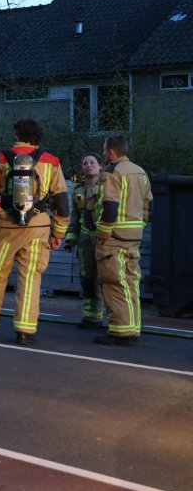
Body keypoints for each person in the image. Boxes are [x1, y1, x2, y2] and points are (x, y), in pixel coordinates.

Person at [0, 118, 69, 346]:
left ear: (16, 134)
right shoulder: (51, 161)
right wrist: (58, 234)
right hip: (38, 229)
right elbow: (62, 201)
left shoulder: (1, 158)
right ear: (39, 136)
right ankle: (25, 332)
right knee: (30, 278)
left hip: (5, 228)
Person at [94, 135, 152, 346]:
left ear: (110, 152)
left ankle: (120, 332)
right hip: (133, 237)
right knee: (130, 283)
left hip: (114, 238)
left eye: (104, 150)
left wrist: (102, 234)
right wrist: (139, 226)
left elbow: (109, 207)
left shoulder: (111, 172)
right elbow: (148, 206)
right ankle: (132, 328)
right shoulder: (140, 171)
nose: (103, 154)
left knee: (114, 283)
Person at [64, 152, 105, 328]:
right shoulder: (78, 190)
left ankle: (115, 319)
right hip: (85, 240)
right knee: (87, 279)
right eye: (85, 163)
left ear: (101, 166)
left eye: (92, 162)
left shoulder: (107, 187)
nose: (88, 165)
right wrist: (70, 239)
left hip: (104, 239)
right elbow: (74, 217)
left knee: (106, 279)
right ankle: (91, 316)